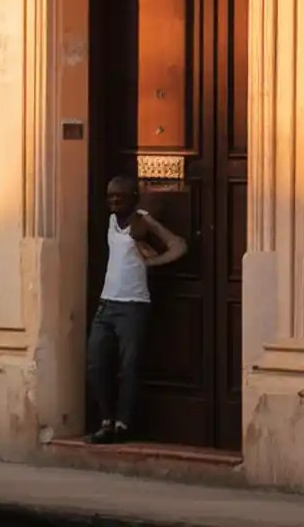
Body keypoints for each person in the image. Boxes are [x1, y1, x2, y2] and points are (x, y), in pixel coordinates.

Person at [84, 175, 187, 444]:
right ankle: (106, 420)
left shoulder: (141, 222)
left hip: (133, 306)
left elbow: (179, 246)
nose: (114, 200)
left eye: (120, 196)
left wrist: (154, 262)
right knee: (96, 362)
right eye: (110, 196)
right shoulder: (109, 221)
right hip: (107, 304)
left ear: (133, 197)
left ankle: (122, 424)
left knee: (129, 368)